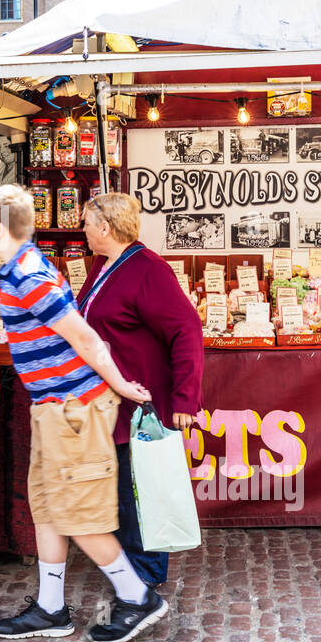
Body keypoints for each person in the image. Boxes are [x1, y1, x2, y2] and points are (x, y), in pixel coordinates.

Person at [0, 185, 166, 642]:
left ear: (0, 228)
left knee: (79, 515)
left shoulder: (29, 273)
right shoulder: (19, 268)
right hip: (53, 408)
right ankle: (52, 607)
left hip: (74, 410)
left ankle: (136, 595)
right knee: (48, 508)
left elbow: (86, 339)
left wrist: (120, 386)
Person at [76, 193, 204, 589]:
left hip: (139, 401)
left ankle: (146, 573)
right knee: (119, 488)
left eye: (86, 222)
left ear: (105, 228)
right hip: (108, 399)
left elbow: (187, 330)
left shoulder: (149, 270)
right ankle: (129, 566)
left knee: (139, 489)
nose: (81, 229)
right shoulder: (102, 263)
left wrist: (185, 398)